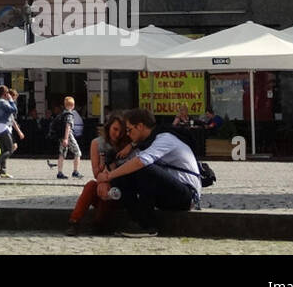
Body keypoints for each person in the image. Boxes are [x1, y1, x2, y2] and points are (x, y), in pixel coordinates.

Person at [96, 108, 202, 237]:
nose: (128, 134)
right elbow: (126, 165)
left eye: (129, 130)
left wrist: (108, 176)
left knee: (143, 168)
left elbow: (140, 162)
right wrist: (111, 177)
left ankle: (147, 226)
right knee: (121, 177)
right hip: (168, 193)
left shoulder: (165, 139)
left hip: (186, 195)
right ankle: (137, 220)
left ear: (140, 126)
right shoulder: (146, 143)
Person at [66, 113, 133, 236]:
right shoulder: (97, 143)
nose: (118, 134)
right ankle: (74, 222)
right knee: (91, 185)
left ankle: (99, 224)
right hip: (103, 184)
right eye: (115, 129)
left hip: (120, 192)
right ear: (108, 127)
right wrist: (104, 180)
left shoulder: (128, 146)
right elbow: (96, 173)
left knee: (108, 190)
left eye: (121, 131)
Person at [0, 86, 25, 178]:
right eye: (7, 93)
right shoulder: (2, 102)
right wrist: (11, 100)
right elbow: (14, 110)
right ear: (5, 94)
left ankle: (2, 171)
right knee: (10, 149)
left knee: (4, 151)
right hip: (2, 128)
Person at [55, 96, 82, 179]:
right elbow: (68, 126)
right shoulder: (70, 115)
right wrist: (66, 139)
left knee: (62, 153)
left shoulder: (62, 114)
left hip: (61, 136)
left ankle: (59, 172)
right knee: (78, 152)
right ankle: (75, 171)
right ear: (73, 105)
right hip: (68, 136)